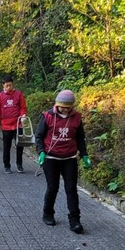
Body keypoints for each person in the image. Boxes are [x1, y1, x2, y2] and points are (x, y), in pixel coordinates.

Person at [34, 89, 91, 233]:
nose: (64, 110)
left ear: (72, 106)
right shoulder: (47, 116)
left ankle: (75, 220)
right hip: (51, 158)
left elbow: (80, 138)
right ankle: (48, 214)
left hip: (69, 158)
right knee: (52, 188)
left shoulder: (77, 118)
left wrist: (84, 155)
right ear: (57, 104)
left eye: (68, 107)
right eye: (62, 107)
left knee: (71, 189)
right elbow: (39, 136)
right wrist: (41, 152)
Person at [0, 75, 28, 173]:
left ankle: (19, 164)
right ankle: (7, 165)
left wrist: (23, 115)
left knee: (20, 145)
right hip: (6, 125)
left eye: (10, 85)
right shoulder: (0, 96)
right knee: (6, 147)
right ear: (3, 85)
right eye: (7, 86)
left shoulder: (18, 94)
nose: (9, 87)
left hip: (18, 124)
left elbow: (22, 107)